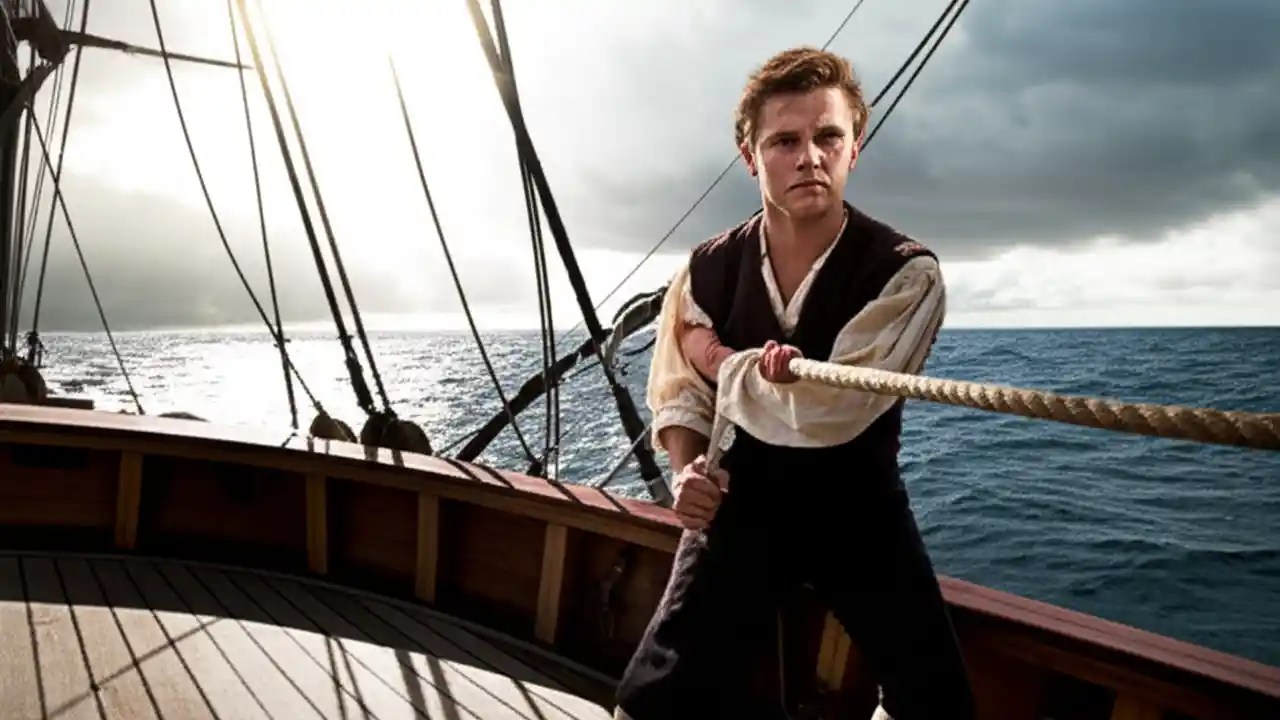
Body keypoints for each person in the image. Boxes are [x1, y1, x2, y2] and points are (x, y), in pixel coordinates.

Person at [613, 47, 975, 719]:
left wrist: (719, 357)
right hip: (739, 504)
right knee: (656, 695)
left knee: (937, 699)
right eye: (785, 140)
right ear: (751, 157)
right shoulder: (706, 270)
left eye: (827, 136)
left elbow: (824, 409)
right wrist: (690, 474)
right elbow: (678, 390)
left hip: (857, 509)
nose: (809, 155)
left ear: (854, 149)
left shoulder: (906, 274)